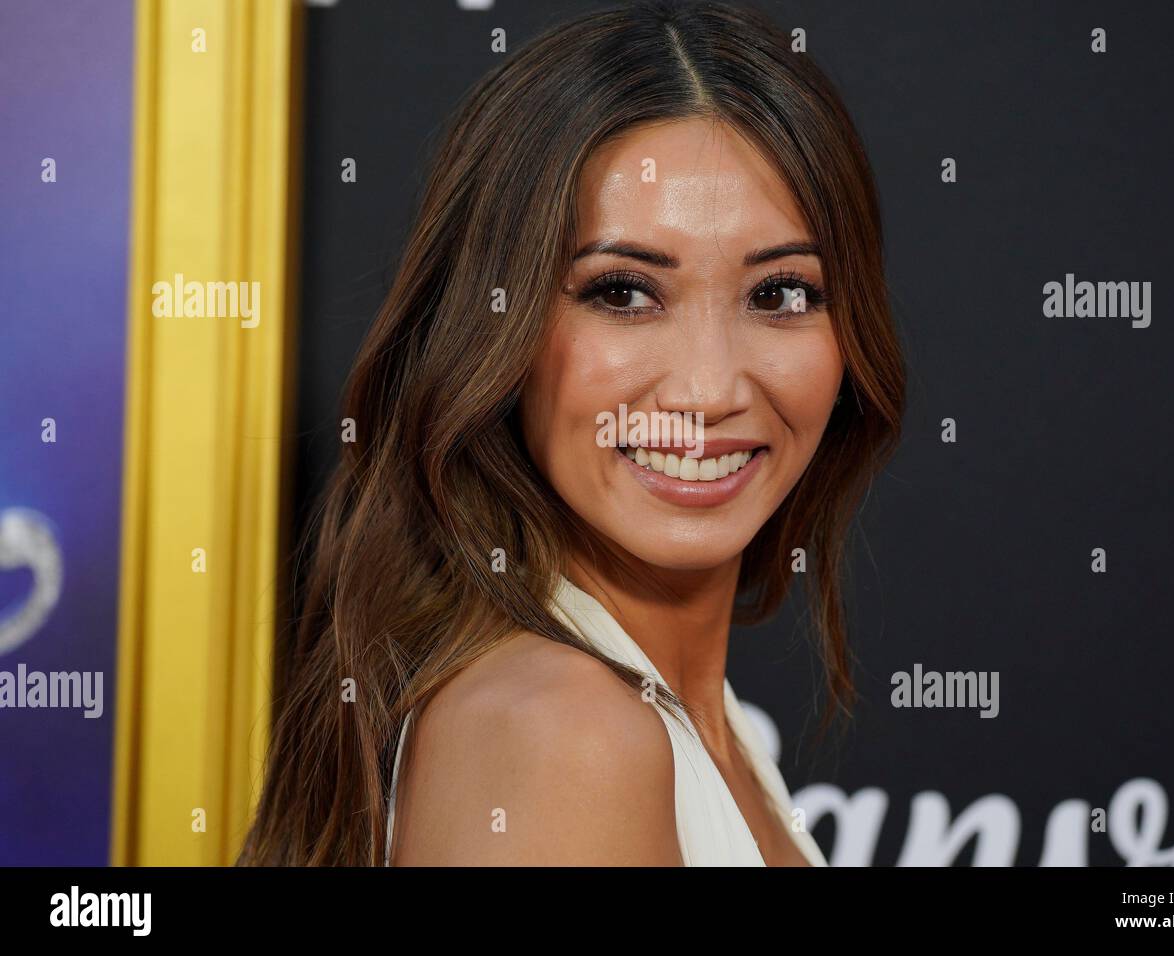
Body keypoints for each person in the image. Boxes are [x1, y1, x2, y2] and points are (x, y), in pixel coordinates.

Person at [239, 0, 904, 867]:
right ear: (493, 332)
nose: (707, 388)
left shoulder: (678, 717)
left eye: (779, 293)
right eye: (622, 292)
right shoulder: (564, 734)